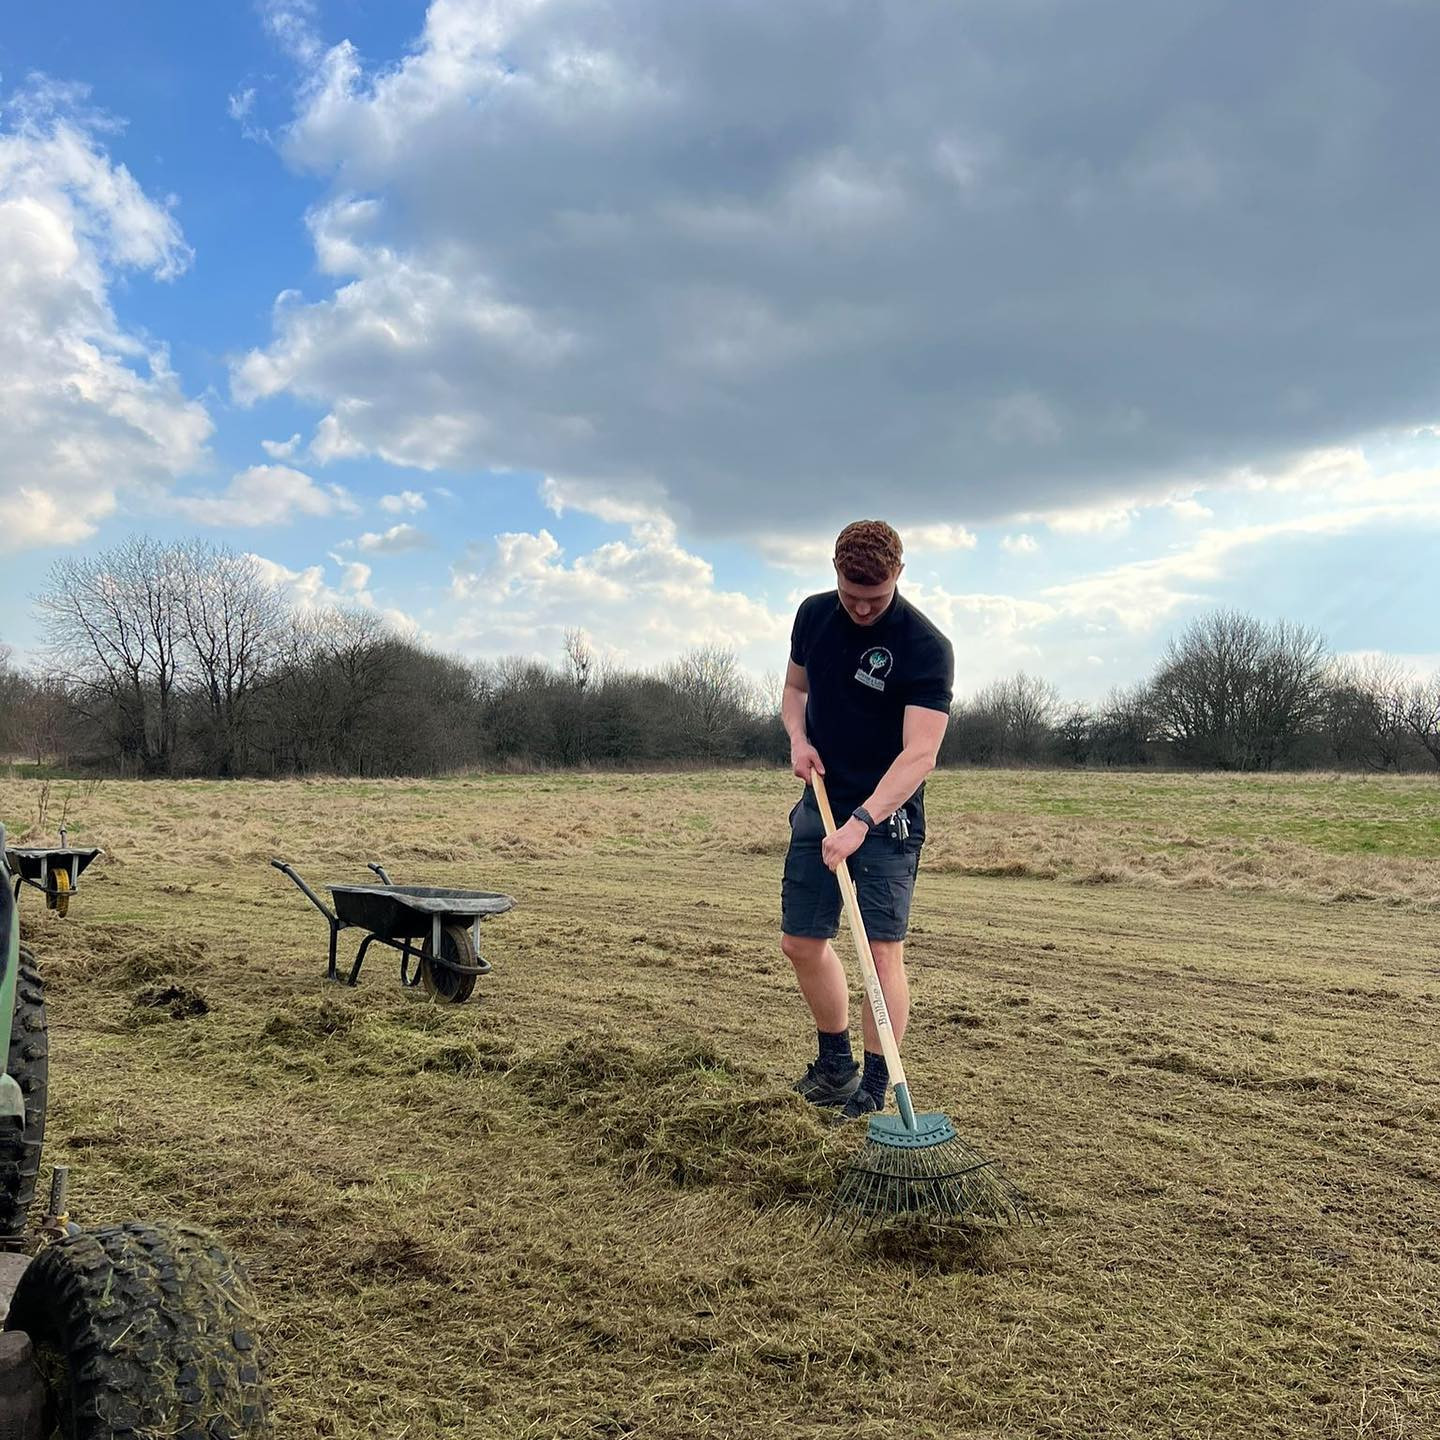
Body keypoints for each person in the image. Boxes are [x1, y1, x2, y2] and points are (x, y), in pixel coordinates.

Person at [781, 519, 954, 1119]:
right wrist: (798, 738)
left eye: (874, 598)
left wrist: (862, 821)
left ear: (898, 575)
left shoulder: (925, 647)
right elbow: (795, 691)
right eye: (851, 595)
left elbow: (921, 754)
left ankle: (874, 1085)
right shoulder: (812, 615)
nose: (860, 608)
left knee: (880, 956)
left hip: (886, 817)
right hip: (820, 799)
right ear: (834, 572)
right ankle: (834, 1066)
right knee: (801, 942)